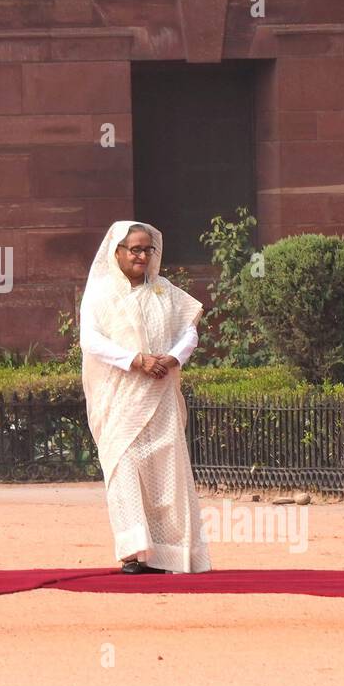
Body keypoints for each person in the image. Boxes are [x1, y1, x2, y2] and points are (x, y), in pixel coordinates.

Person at [79, 220, 211, 575]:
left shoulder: (165, 291)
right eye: (134, 249)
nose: (141, 256)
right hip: (120, 397)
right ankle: (133, 553)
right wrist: (135, 360)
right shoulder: (101, 293)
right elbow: (90, 341)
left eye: (147, 249)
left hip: (161, 394)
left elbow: (190, 332)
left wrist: (172, 358)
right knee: (125, 469)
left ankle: (169, 553)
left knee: (167, 473)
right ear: (117, 252)